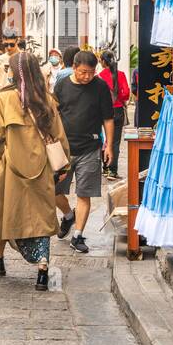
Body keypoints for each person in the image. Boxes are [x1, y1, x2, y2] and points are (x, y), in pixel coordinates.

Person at [0, 51, 70, 291]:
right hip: (41, 168)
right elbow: (59, 135)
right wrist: (64, 165)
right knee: (41, 214)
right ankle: (42, 269)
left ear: (11, 71)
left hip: (8, 166)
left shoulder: (2, 99)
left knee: (1, 210)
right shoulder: (46, 100)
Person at [53, 50, 114, 254]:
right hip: (63, 148)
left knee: (84, 193)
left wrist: (110, 146)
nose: (87, 76)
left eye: (90, 72)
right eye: (82, 72)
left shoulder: (101, 87)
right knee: (53, 190)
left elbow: (108, 118)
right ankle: (69, 215)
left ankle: (78, 235)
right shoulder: (62, 85)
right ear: (74, 67)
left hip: (90, 147)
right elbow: (54, 113)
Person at [98, 52, 131, 179]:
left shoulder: (100, 76)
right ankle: (112, 171)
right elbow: (126, 93)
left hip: (103, 112)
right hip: (118, 111)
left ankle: (105, 168)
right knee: (115, 142)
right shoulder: (121, 74)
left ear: (103, 61)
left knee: (104, 139)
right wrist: (119, 99)